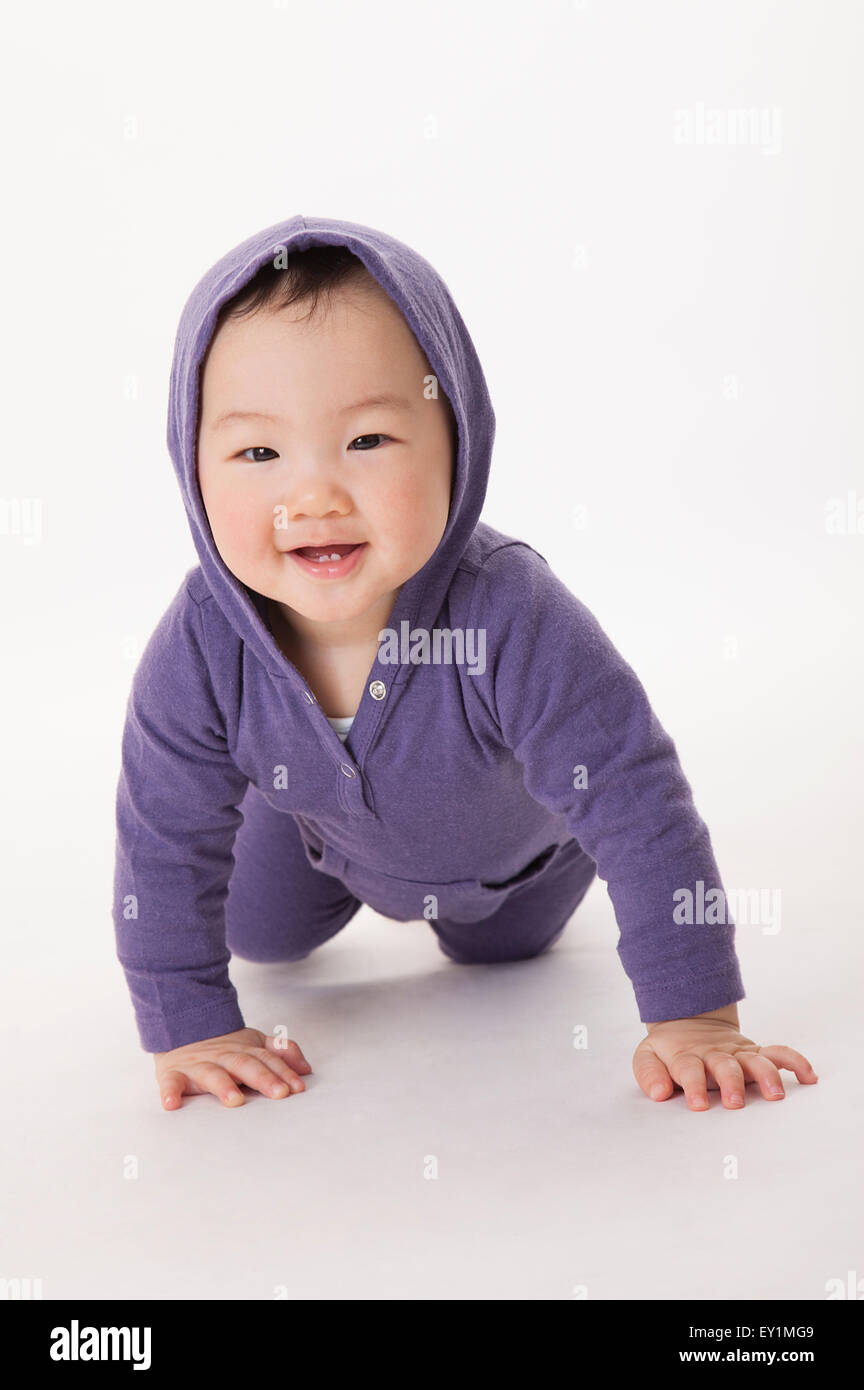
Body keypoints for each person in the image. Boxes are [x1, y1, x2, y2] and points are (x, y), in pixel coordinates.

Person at [112, 214, 818, 1112]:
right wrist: (189, 1022)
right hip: (317, 834)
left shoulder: (509, 610)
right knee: (262, 935)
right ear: (192, 466)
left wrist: (698, 1018)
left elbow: (639, 799)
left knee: (499, 955)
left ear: (460, 442)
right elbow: (162, 837)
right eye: (257, 453)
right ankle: (284, 822)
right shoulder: (203, 640)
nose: (314, 496)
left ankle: (546, 870)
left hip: (508, 867)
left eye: (367, 441)